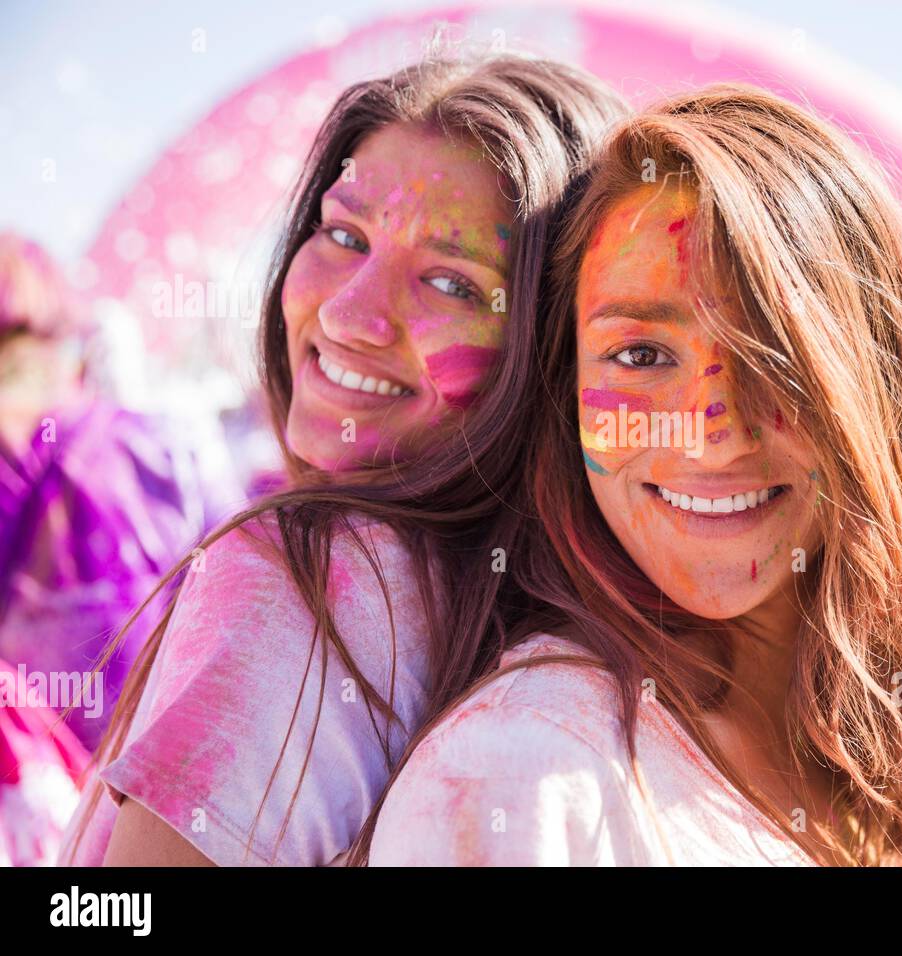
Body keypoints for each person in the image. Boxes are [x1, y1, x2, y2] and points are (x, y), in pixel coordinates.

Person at [366, 85, 902, 866]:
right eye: (640, 356)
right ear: (562, 391)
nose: (713, 436)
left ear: (879, 382)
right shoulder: (523, 772)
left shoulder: (891, 731)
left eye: (777, 353)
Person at [59, 53, 627, 866]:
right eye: (344, 235)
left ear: (552, 346)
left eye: (452, 283)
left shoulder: (302, 572)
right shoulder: (600, 641)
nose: (348, 312)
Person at [0, 233, 234, 752]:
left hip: (82, 802)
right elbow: (244, 613)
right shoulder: (169, 447)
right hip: (156, 792)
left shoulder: (161, 450)